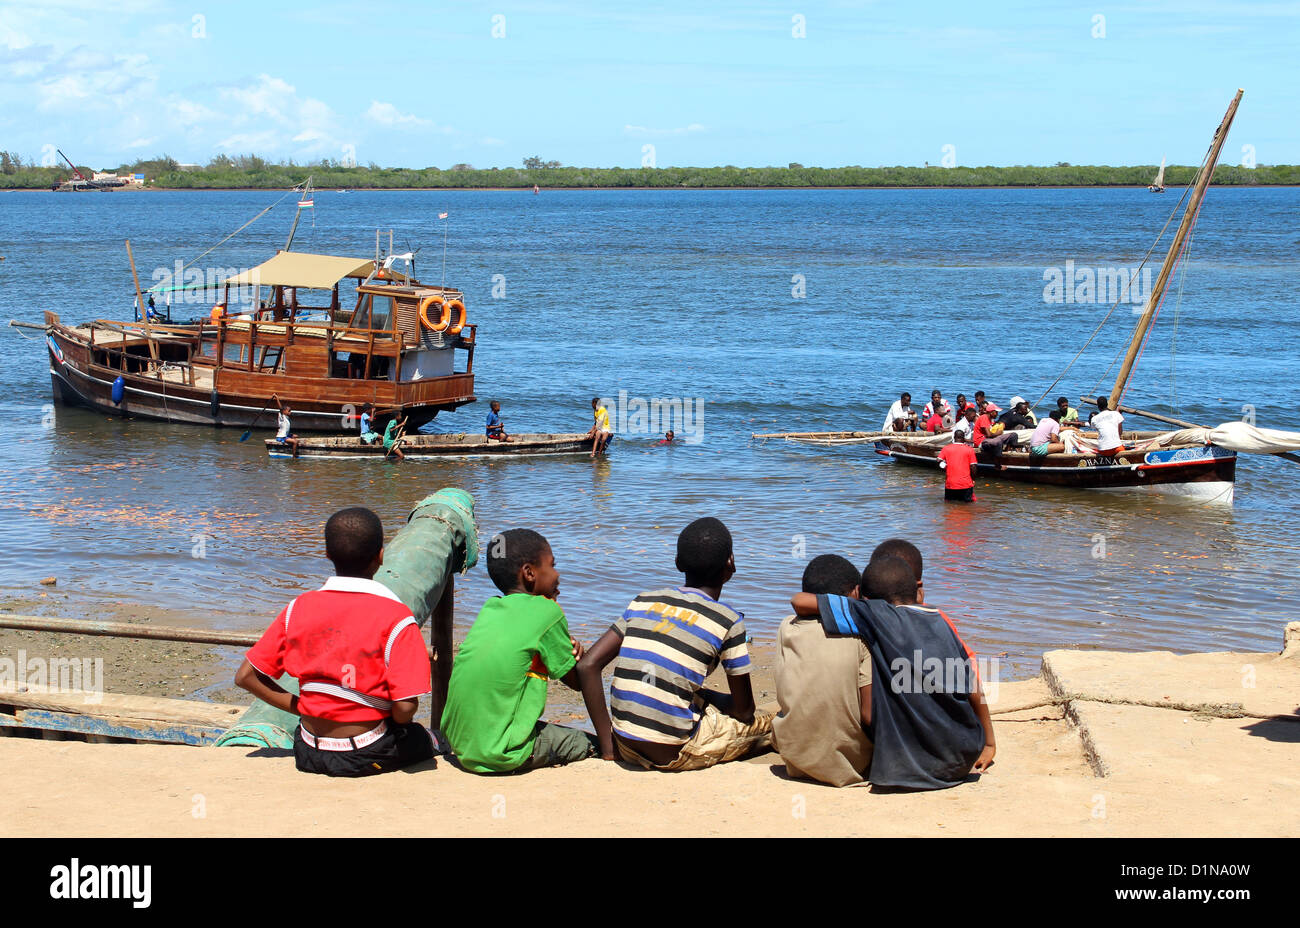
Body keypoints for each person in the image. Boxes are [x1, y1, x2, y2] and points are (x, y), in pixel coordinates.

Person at [233, 507, 436, 777]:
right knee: (430, 739)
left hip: (308, 751)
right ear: (381, 555)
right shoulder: (397, 618)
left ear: (327, 554)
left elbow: (245, 677)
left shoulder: (298, 607)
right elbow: (404, 710)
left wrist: (303, 706)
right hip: (367, 753)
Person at [576, 517, 773, 770]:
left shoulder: (644, 601)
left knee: (694, 693)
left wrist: (609, 747)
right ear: (730, 564)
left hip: (624, 741)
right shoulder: (728, 621)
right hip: (674, 750)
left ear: (677, 562)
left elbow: (588, 665)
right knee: (767, 725)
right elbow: (745, 712)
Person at [789, 553, 996, 790]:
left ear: (867, 598)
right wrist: (989, 743)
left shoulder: (875, 614)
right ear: (916, 591)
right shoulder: (940, 621)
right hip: (961, 759)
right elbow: (973, 685)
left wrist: (857, 604)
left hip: (908, 768)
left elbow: (799, 601)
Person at [440, 529, 597, 773]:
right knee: (587, 743)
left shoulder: (491, 608)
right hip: (500, 753)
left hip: (460, 745)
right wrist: (583, 656)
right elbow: (579, 681)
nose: (558, 574)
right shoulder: (547, 612)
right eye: (552, 565)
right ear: (529, 573)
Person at [772, 554, 874, 787]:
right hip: (850, 765)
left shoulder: (786, 626)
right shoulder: (859, 636)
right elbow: (869, 716)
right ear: (855, 593)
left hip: (793, 759)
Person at [938, 429, 979, 501]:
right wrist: (973, 479)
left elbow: (939, 461)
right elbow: (973, 467)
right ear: (964, 438)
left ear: (954, 437)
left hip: (950, 484)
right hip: (966, 483)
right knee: (967, 507)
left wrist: (946, 467)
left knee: (949, 505)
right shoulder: (969, 450)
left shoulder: (946, 448)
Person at [272, 393, 299, 459]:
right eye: (289, 411)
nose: (290, 412)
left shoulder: (286, 417)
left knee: (296, 436)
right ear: (283, 411)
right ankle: (294, 456)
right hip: (281, 437)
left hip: (285, 435)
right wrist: (277, 398)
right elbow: (280, 407)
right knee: (295, 442)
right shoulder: (282, 416)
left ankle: (290, 448)